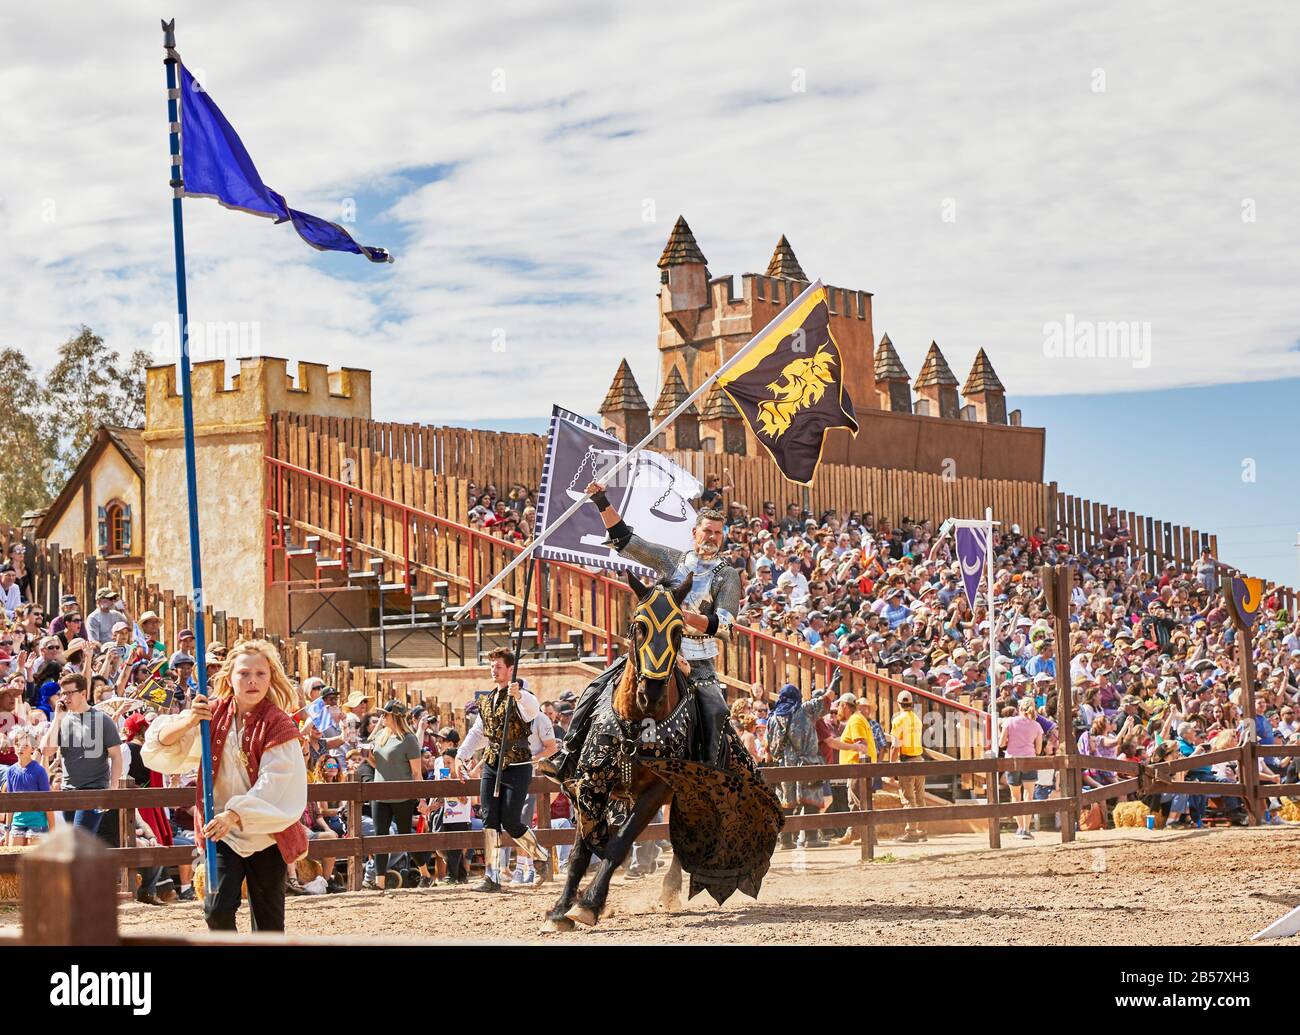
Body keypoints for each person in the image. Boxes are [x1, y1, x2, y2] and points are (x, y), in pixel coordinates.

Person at [542, 480, 739, 775]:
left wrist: (684, 617)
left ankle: (708, 776)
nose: (711, 537)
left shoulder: (728, 576)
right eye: (706, 531)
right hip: (653, 651)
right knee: (595, 687)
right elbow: (625, 542)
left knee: (717, 711)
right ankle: (568, 756)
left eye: (716, 533)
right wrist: (600, 500)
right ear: (694, 533)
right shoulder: (672, 560)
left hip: (697, 661)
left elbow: (724, 625)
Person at [143, 639, 308, 932]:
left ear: (271, 678)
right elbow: (163, 743)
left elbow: (276, 782)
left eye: (260, 674)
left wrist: (235, 813)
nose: (252, 681)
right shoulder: (212, 713)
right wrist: (190, 720)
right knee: (216, 911)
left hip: (266, 832)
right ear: (230, 677)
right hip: (221, 832)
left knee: (269, 925)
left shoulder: (278, 724)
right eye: (244, 673)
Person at [456, 647, 548, 892]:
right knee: (489, 818)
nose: (493, 671)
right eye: (491, 666)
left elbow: (532, 712)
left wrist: (519, 695)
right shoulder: (487, 701)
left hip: (517, 765)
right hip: (492, 762)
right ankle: (492, 876)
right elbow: (478, 733)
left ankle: (539, 855)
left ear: (510, 669)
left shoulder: (521, 696)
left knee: (510, 819)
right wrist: (461, 755)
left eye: (498, 667)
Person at [40, 673, 124, 840]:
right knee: (76, 845)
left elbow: (116, 756)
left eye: (70, 693)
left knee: (78, 840)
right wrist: (56, 718)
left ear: (83, 694)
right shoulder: (62, 720)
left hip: (94, 791)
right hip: (68, 791)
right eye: (62, 693)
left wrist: (112, 790)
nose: (65, 698)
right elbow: (46, 751)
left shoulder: (102, 719)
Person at [365, 699, 435, 890]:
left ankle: (425, 873)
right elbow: (376, 764)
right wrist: (369, 757)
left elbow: (416, 773)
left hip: (402, 796)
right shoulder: (380, 735)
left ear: (394, 716)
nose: (381, 718)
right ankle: (379, 882)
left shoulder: (409, 739)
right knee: (380, 838)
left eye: (384, 714)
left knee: (405, 837)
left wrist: (421, 799)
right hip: (379, 793)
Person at [765, 683, 828, 849]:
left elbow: (769, 744)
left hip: (783, 765)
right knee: (811, 800)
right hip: (807, 762)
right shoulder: (805, 710)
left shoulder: (772, 717)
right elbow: (825, 701)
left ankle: (785, 840)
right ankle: (811, 838)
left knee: (786, 802)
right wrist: (834, 683)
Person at [1000, 697, 1044, 839]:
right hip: (1029, 760)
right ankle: (1026, 828)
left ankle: (1019, 828)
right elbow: (1038, 749)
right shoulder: (1036, 726)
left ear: (1019, 708)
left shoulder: (1009, 722)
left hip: (1012, 760)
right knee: (1028, 796)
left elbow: (1001, 743)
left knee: (1015, 795)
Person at [1, 730, 53, 845]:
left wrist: (53, 831)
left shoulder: (39, 771)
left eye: (25, 746)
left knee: (34, 859)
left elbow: (48, 803)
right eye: (18, 745)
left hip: (37, 822)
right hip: (17, 822)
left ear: (33, 749)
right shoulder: (10, 771)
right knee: (12, 858)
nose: (20, 748)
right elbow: (10, 804)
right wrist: (7, 830)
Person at [889, 689, 927, 842]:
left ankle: (911, 832)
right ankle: (922, 831)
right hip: (919, 759)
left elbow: (895, 746)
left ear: (898, 704)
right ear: (911, 704)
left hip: (906, 761)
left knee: (908, 798)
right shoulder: (916, 719)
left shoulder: (898, 720)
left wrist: (892, 767)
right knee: (920, 797)